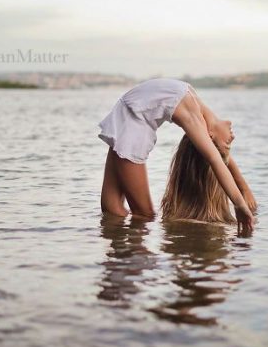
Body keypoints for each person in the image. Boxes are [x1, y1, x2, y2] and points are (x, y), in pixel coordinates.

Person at [98, 77, 257, 231]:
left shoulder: (196, 113)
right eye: (228, 144)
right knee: (144, 215)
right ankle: (135, 253)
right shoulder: (195, 109)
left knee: (111, 207)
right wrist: (241, 197)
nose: (232, 137)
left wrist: (242, 197)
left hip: (129, 119)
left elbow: (217, 158)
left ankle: (121, 254)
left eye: (228, 143)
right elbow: (216, 158)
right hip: (130, 121)